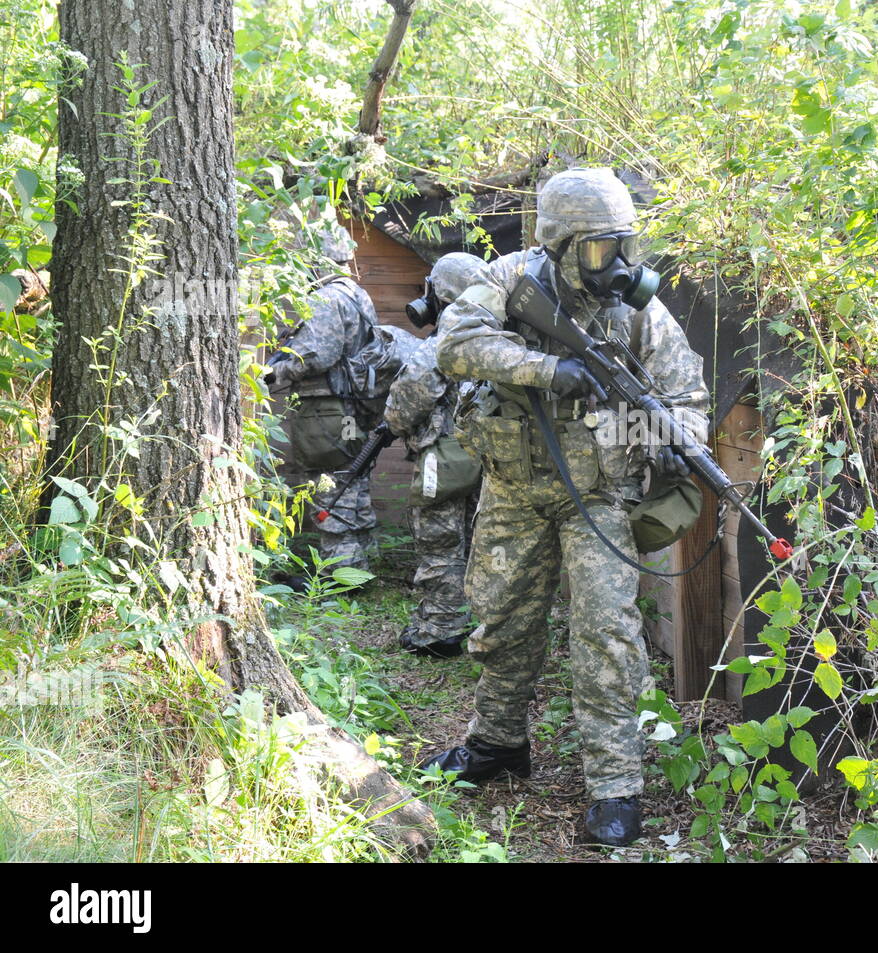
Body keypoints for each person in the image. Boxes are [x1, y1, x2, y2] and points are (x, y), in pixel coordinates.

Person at [422, 168, 710, 847]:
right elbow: (455, 345)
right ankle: (495, 743)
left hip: (600, 498)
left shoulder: (637, 310)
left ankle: (616, 783)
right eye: (597, 250)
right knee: (500, 618)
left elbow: (688, 396)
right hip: (514, 487)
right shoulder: (506, 278)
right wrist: (548, 370)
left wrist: (676, 443)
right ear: (558, 245)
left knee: (607, 638)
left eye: (622, 246)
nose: (616, 264)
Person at [384, 253, 487, 658]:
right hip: (494, 457)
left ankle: (440, 630)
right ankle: (487, 628)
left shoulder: (448, 334)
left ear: (441, 293)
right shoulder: (498, 334)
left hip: (444, 458)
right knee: (484, 543)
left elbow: (411, 396)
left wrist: (394, 423)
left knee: (441, 542)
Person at [266, 213, 380, 572]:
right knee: (352, 482)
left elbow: (314, 354)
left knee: (330, 487)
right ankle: (359, 565)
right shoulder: (357, 295)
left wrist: (267, 375)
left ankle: (341, 574)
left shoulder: (327, 298)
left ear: (313, 258)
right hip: (350, 408)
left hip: (326, 411)